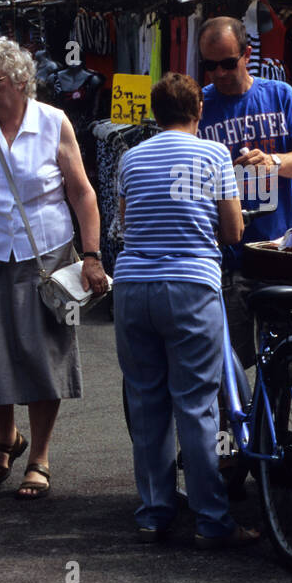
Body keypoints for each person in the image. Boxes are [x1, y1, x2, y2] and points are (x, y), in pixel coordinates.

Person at [0, 38, 106, 499]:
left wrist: (91, 255)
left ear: (22, 82)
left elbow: (82, 193)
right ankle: (6, 438)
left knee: (40, 352)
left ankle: (40, 457)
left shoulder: (54, 122)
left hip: (45, 254)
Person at [114, 73, 259, 547]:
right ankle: (212, 521)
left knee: (146, 402)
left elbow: (123, 222)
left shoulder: (130, 158)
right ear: (199, 111)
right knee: (196, 408)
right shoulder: (215, 154)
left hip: (133, 286)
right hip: (192, 285)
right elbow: (234, 230)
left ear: (155, 114)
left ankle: (154, 512)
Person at [197, 16, 292, 367]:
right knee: (230, 368)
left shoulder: (279, 95)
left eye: (227, 63)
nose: (218, 73)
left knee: (288, 357)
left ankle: (277, 412)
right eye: (209, 65)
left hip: (277, 249)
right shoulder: (199, 107)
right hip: (228, 257)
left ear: (247, 54)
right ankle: (239, 422)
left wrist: (274, 162)